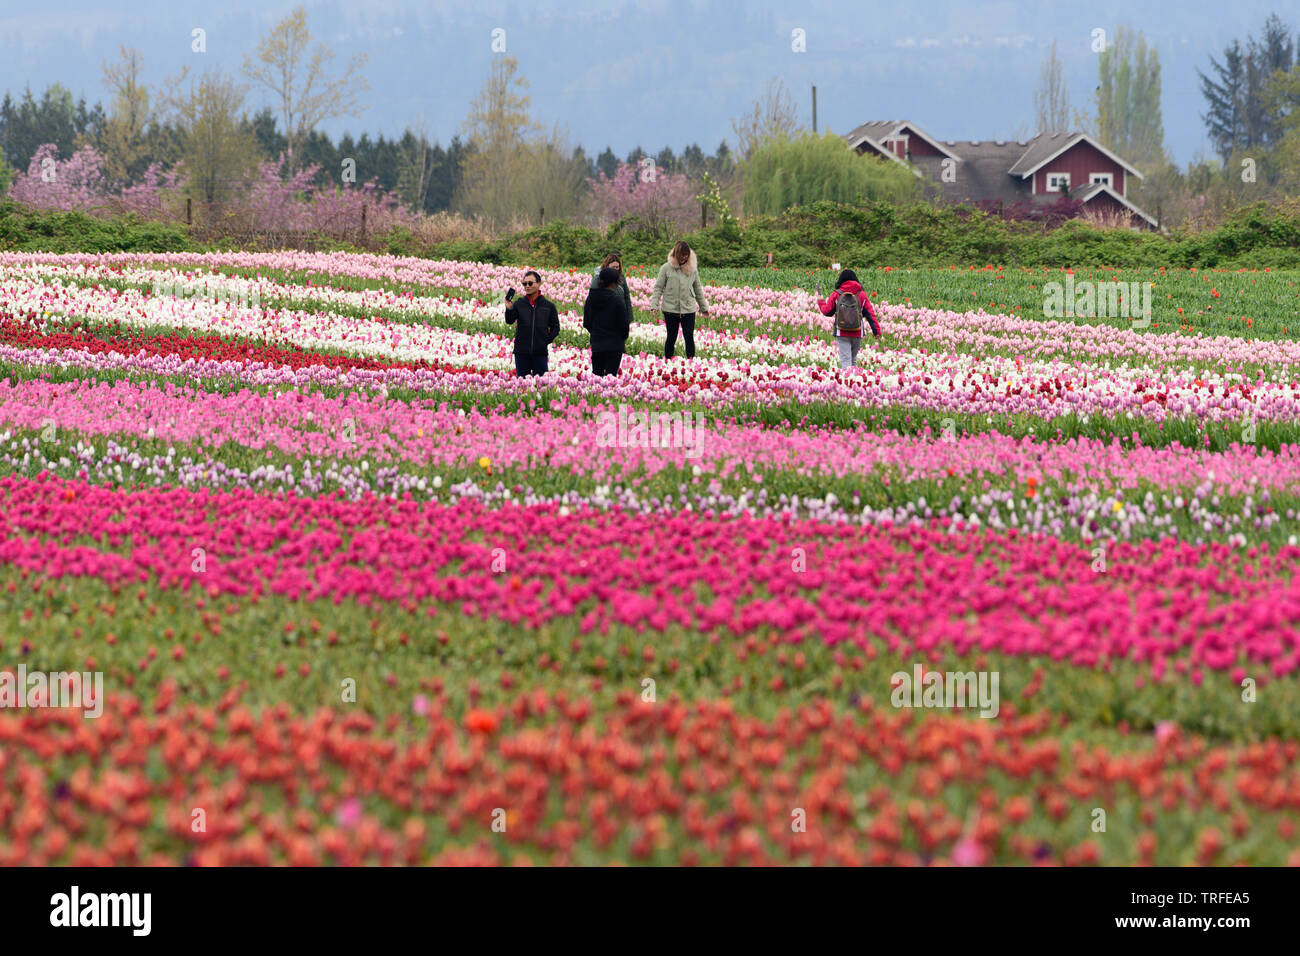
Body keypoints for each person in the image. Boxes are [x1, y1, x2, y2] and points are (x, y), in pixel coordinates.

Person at [651, 240, 709, 359]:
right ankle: (667, 361)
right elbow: (658, 288)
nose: (684, 258)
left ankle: (691, 364)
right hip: (670, 309)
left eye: (686, 255)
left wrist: (704, 308)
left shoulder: (692, 269)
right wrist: (654, 305)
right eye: (681, 255)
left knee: (689, 337)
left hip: (688, 309)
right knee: (671, 337)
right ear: (676, 254)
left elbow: (697, 288)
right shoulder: (666, 268)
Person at [817, 268, 881, 369]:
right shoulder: (862, 295)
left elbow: (827, 311)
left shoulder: (836, 294)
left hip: (841, 331)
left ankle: (847, 382)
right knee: (853, 359)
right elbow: (870, 314)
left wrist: (820, 301)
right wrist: (876, 331)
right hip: (857, 332)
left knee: (846, 360)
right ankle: (854, 381)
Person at [504, 270, 560, 377]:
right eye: (524, 284)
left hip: (540, 353)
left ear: (539, 284)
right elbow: (509, 321)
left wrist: (545, 341)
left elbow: (556, 328)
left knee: (541, 386)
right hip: (521, 352)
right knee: (523, 387)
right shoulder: (519, 304)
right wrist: (509, 309)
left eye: (530, 283)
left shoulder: (548, 306)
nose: (527, 286)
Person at [583, 266, 631, 376]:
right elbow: (624, 325)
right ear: (614, 283)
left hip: (597, 343)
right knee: (611, 378)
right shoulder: (617, 301)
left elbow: (587, 322)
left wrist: (595, 332)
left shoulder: (591, 298)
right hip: (615, 345)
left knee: (597, 376)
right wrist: (621, 339)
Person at [589, 252, 634, 327]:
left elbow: (626, 298)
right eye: (613, 267)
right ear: (607, 266)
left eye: (617, 267)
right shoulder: (598, 278)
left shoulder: (621, 277)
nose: (616, 269)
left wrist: (629, 318)